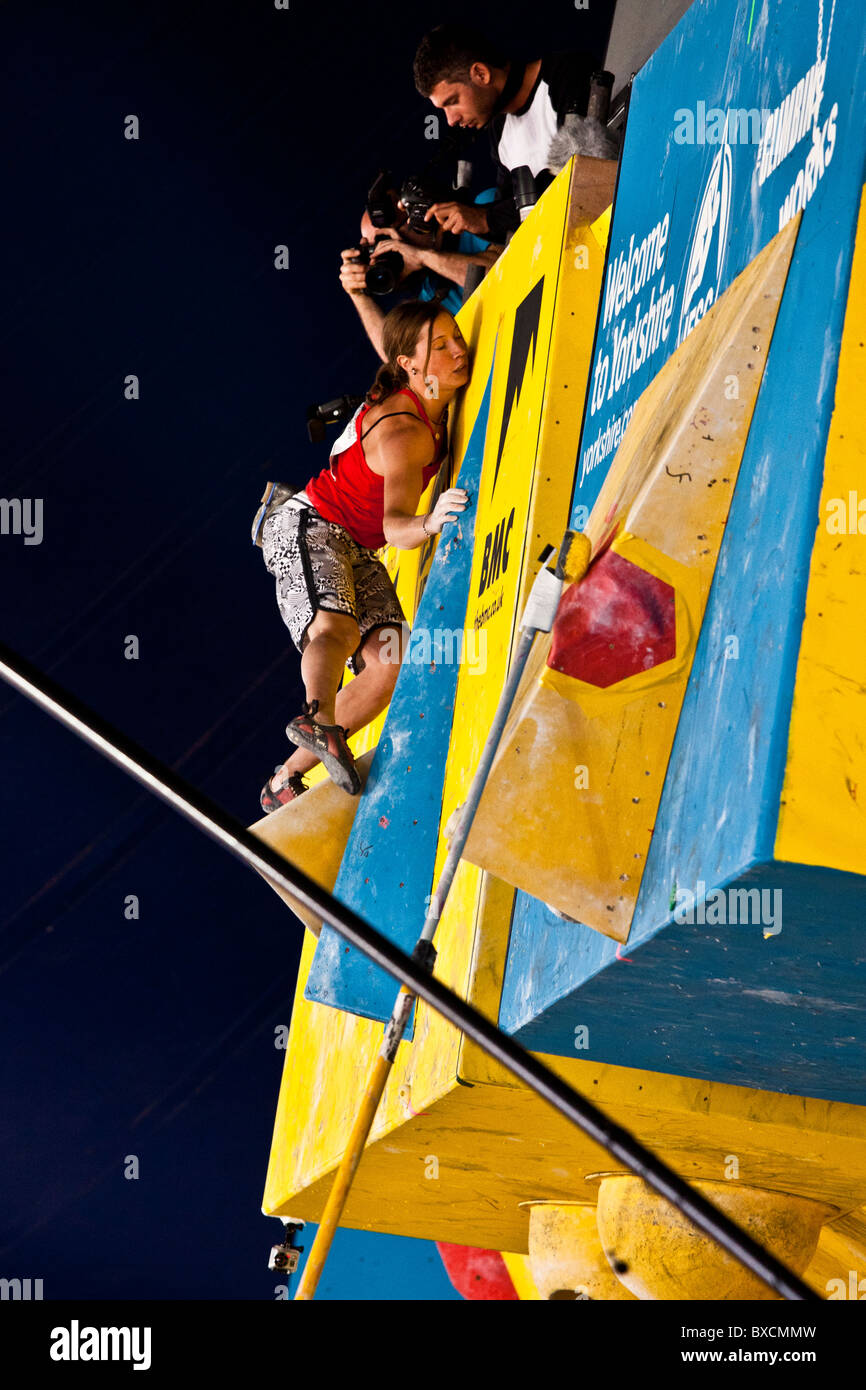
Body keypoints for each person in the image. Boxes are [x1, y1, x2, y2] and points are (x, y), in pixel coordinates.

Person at [257, 300, 470, 812]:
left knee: (390, 664)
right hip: (309, 526)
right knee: (338, 628)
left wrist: (358, 296)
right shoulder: (405, 431)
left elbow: (391, 342)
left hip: (355, 542)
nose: (459, 350)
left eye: (456, 336)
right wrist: (430, 522)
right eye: (441, 347)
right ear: (411, 368)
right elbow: (396, 527)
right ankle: (314, 716)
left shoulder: (418, 390)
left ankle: (282, 782)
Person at [413, 24, 599, 242]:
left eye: (453, 102)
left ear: (481, 74)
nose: (451, 120)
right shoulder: (499, 131)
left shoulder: (566, 74)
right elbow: (511, 220)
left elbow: (581, 174)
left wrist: (486, 217)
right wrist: (453, 212)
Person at [340, 189, 500, 360]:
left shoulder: (476, 211)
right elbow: (401, 361)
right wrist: (359, 296)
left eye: (386, 239)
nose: (382, 252)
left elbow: (501, 275)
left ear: (415, 216)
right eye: (374, 248)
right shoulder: (431, 291)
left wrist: (421, 255)